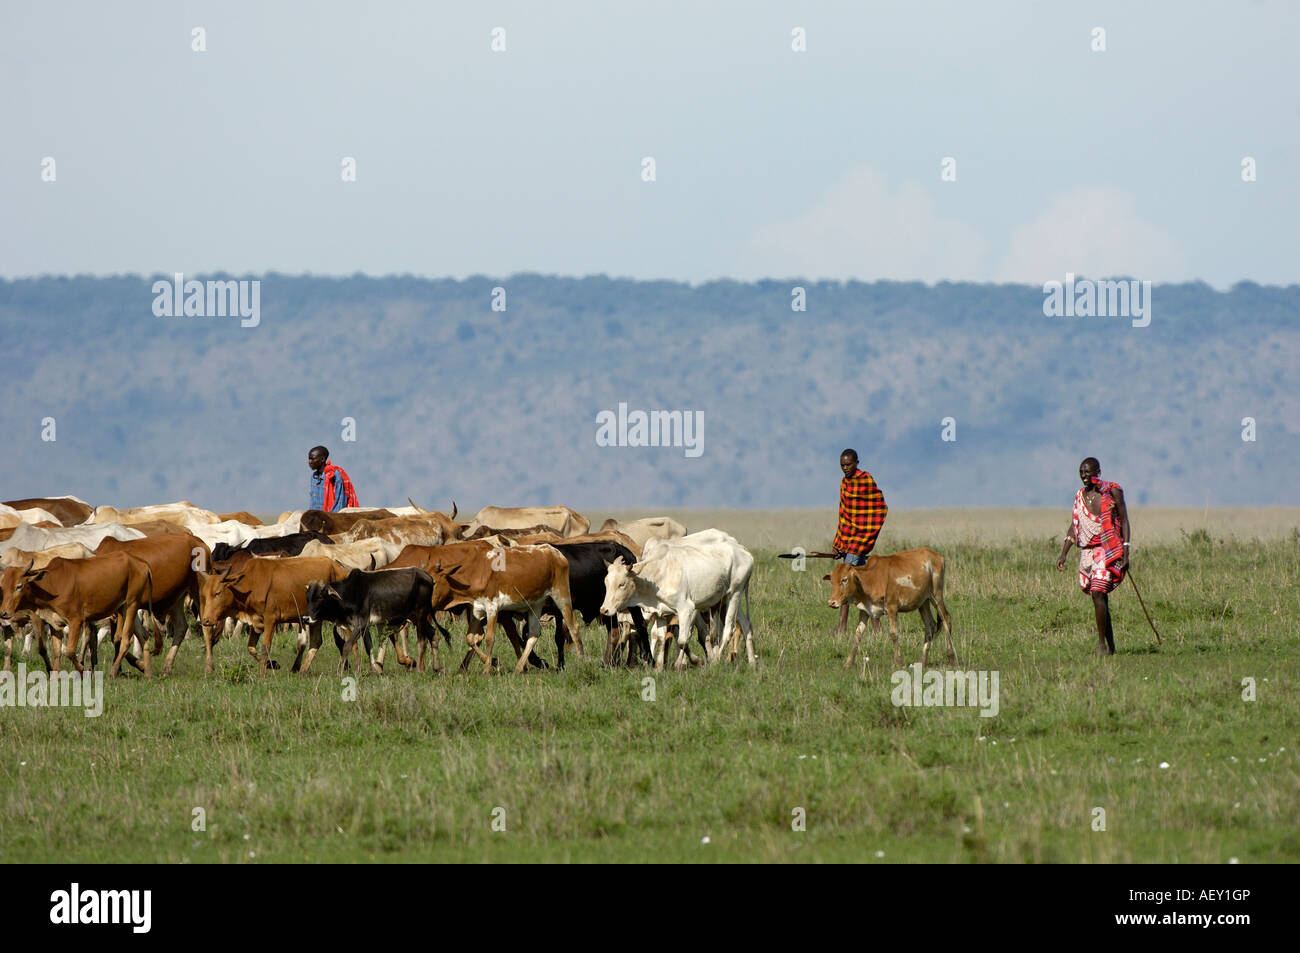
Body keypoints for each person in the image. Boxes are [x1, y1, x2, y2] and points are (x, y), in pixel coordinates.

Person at [1056, 457, 1130, 655]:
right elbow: (1075, 525)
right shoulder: (1080, 496)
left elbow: (1124, 520)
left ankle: (1101, 646)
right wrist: (1064, 553)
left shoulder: (1110, 492)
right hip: (1087, 553)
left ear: (1098, 471)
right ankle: (1110, 648)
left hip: (1106, 550)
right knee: (1100, 599)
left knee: (1098, 593)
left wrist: (1126, 551)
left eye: (1087, 472)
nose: (1084, 476)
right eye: (1081, 472)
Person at [831, 449, 888, 637]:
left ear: (856, 463)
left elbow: (880, 506)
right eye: (842, 466)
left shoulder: (865, 480)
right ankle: (875, 628)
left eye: (848, 465)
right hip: (849, 540)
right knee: (864, 586)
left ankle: (842, 627)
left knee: (844, 583)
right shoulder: (844, 483)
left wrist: (867, 532)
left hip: (862, 539)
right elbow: (844, 515)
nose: (845, 468)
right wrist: (839, 544)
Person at [307, 445, 359, 512]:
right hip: (317, 517)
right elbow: (313, 502)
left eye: (313, 459)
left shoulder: (334, 475)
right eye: (309, 459)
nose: (310, 462)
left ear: (322, 459)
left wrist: (331, 518)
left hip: (332, 517)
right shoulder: (314, 477)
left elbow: (340, 501)